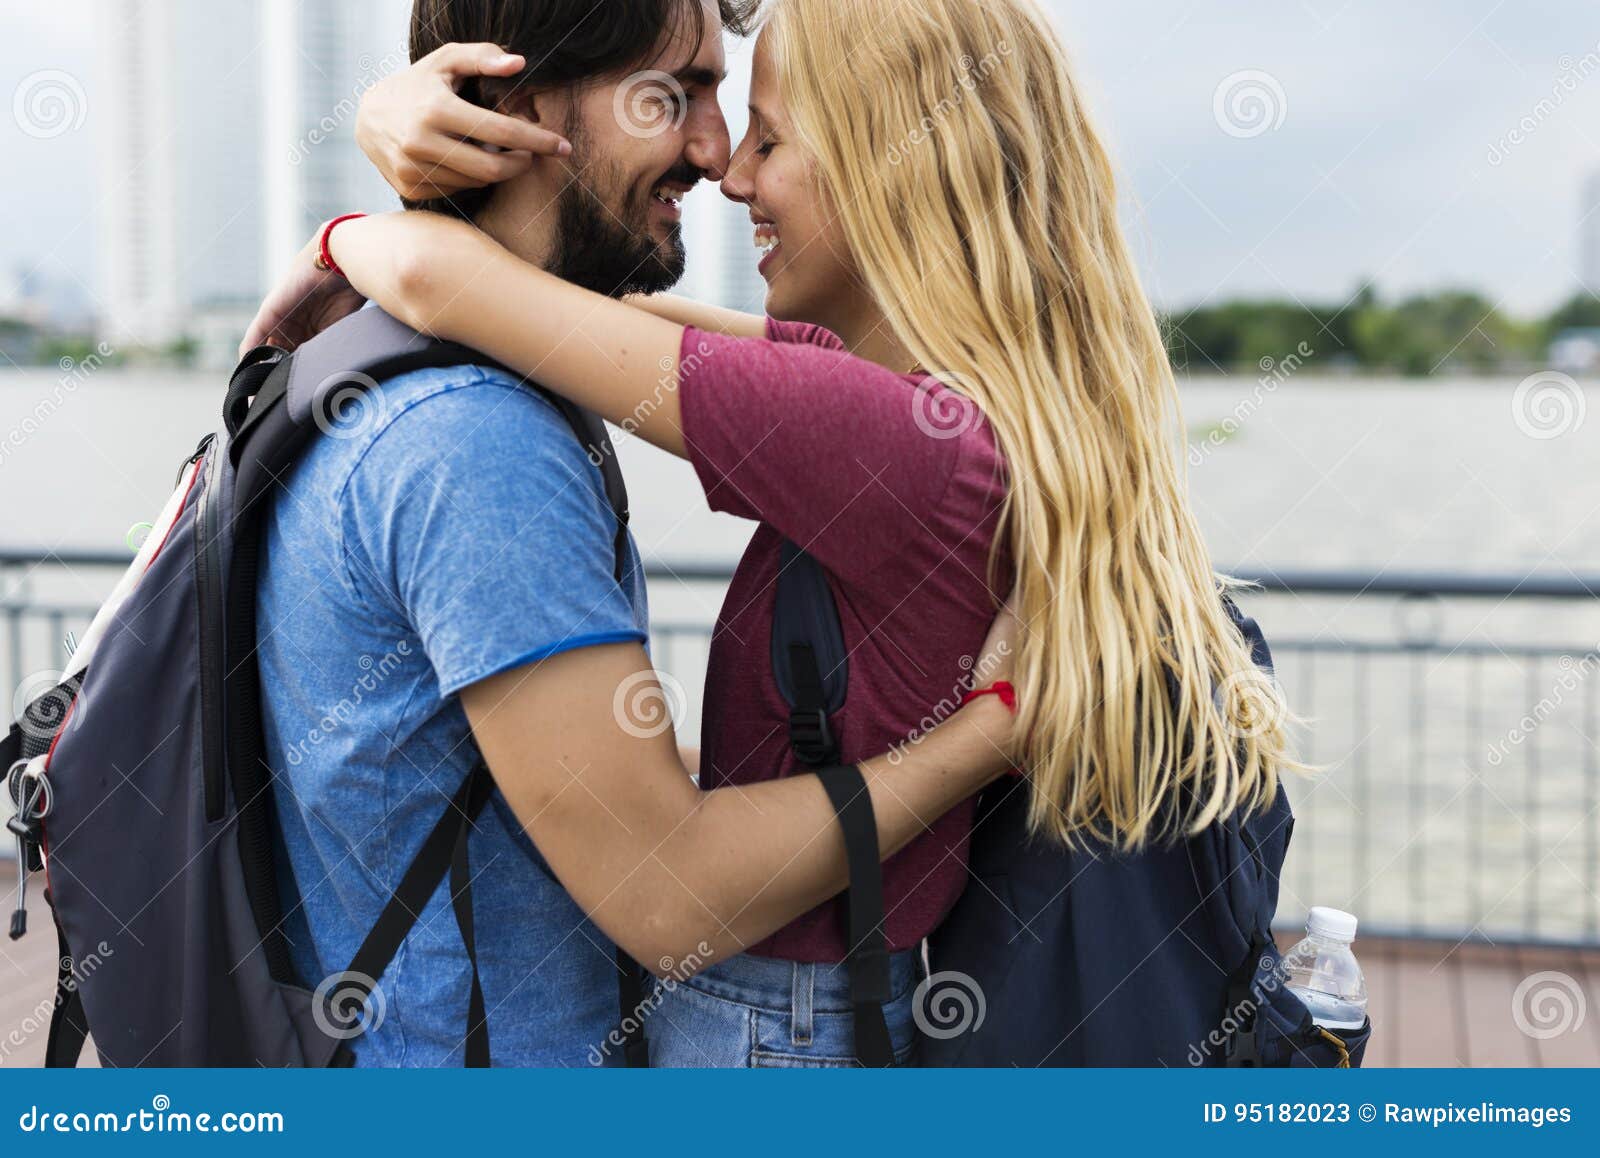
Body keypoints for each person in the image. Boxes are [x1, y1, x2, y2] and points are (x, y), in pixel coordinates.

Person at [250, 0, 1299, 1067]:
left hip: (772, 1024)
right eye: (694, 103)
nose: (729, 172)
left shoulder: (889, 436)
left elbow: (456, 286)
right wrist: (407, 145)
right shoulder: (941, 410)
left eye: (768, 137)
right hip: (821, 1006)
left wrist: (351, 233)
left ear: (894, 170)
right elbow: (582, 321)